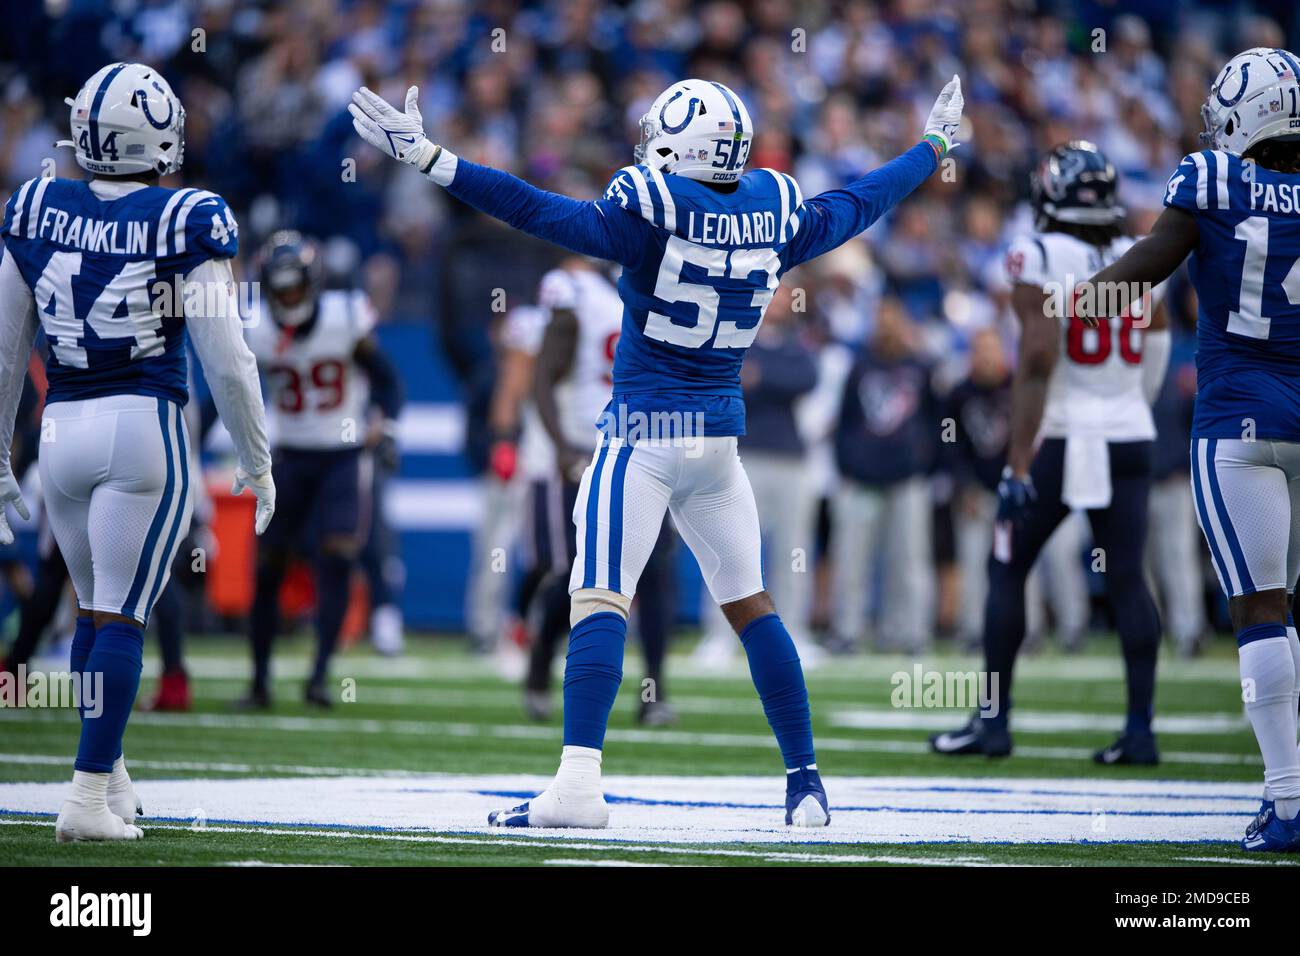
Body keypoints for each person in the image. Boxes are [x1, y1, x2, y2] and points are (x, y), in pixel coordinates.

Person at [349, 73, 964, 828]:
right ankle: (805, 784)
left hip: (642, 436)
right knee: (754, 607)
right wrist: (931, 147)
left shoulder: (650, 211)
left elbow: (537, 210)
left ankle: (578, 785)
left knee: (600, 596)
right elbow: (861, 201)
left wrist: (432, 160)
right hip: (718, 444)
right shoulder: (773, 211)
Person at [0, 62, 275, 841]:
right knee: (120, 616)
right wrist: (256, 458)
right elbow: (227, 358)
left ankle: (109, 776)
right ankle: (86, 798)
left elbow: (3, 345)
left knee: (92, 612)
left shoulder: (35, 205)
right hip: (142, 425)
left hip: (60, 432)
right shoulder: (188, 214)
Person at [1079, 48, 1300, 850]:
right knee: (1285, 611)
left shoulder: (1211, 180)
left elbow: (1148, 266)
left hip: (1239, 422)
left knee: (1260, 610)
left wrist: (1081, 297)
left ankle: (1286, 799)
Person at [931, 142, 1169, 764]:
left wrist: (1015, 463)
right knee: (1126, 580)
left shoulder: (1038, 253)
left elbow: (1036, 360)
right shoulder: (1136, 254)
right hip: (1128, 431)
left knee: (1007, 566)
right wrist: (1127, 404)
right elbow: (1161, 347)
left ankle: (994, 722)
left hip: (1064, 433)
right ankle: (1141, 730)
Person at [241, 230, 402, 708]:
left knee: (337, 557)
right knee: (268, 566)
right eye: (280, 287)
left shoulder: (345, 315)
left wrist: (385, 424)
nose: (288, 296)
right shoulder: (256, 327)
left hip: (342, 452)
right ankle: (259, 681)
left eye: (295, 286)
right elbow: (233, 388)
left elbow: (388, 380)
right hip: (287, 454)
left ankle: (318, 676)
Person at [526, 258, 676, 725]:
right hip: (588, 453)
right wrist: (561, 445)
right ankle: (538, 664)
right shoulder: (574, 288)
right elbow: (543, 376)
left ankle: (654, 691)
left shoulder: (660, 280)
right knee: (578, 573)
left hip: (646, 451)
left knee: (654, 570)